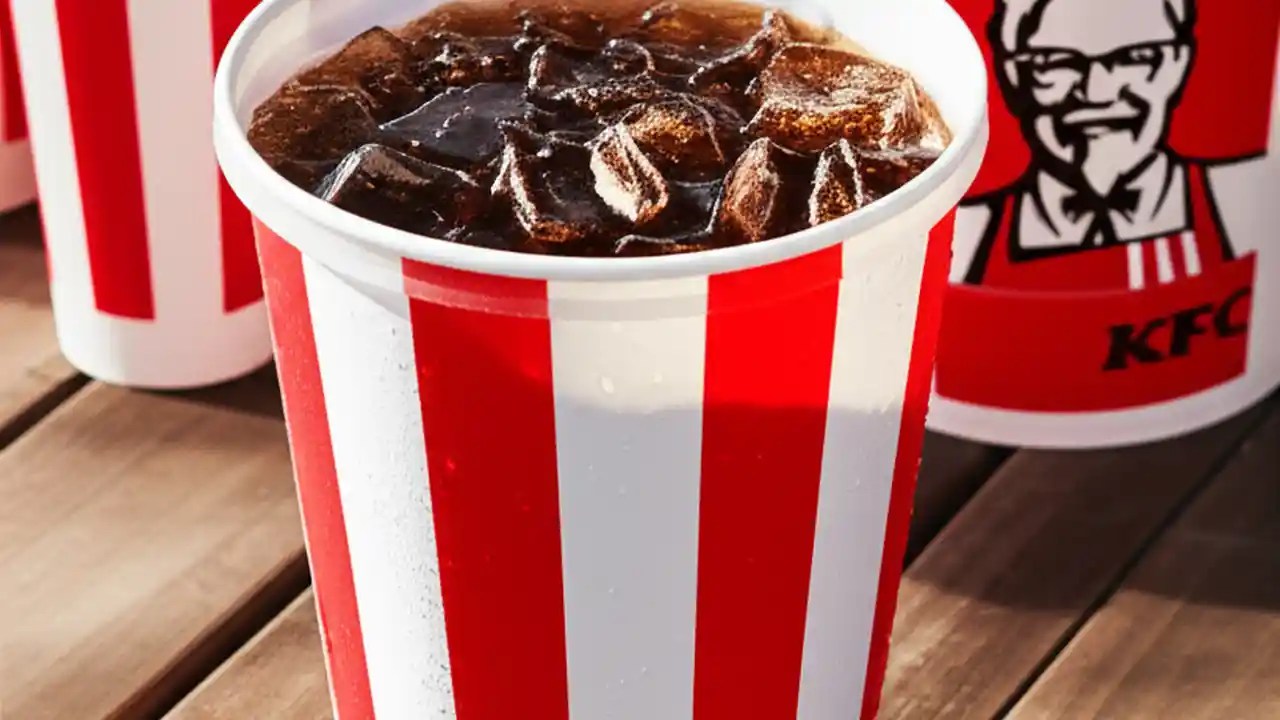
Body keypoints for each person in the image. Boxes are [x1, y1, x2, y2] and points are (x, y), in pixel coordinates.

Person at [952, 0, 1239, 292]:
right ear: (1012, 74)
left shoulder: (1234, 205)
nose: (1097, 93)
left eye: (1135, 58)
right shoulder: (968, 232)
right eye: (1056, 62)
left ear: (1179, 63)